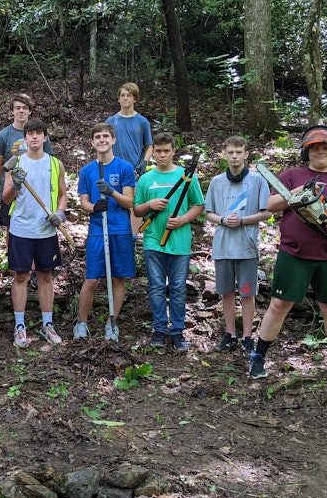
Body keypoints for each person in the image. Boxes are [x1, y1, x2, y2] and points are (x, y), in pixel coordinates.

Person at [248, 126, 327, 387]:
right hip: (294, 253)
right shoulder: (292, 175)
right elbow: (270, 206)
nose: (320, 151)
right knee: (279, 305)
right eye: (314, 147)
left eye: (325, 147)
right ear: (306, 151)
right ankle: (258, 356)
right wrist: (296, 194)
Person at [133, 132, 204, 352]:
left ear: (174, 151)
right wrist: (150, 204)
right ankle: (159, 330)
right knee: (156, 287)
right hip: (154, 240)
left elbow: (198, 205)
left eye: (166, 151)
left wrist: (182, 219)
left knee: (178, 288)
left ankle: (178, 332)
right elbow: (137, 210)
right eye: (158, 151)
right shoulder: (146, 179)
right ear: (152, 152)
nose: (162, 155)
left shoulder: (186, 176)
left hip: (180, 242)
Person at [2, 119, 68, 348]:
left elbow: (62, 195)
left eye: (39, 133)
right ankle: (20, 326)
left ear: (45, 137)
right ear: (25, 137)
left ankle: (47, 324)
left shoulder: (55, 163)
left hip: (46, 230)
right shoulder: (16, 164)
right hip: (21, 228)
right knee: (20, 276)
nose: (35, 137)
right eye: (30, 133)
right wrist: (16, 184)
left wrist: (60, 213)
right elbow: (6, 198)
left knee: (46, 276)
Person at [204, 135, 271, 358]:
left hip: (247, 246)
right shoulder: (216, 182)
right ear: (224, 154)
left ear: (246, 154)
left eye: (238, 152)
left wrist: (243, 220)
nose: (234, 156)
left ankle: (247, 337)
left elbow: (267, 212)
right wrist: (223, 220)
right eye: (230, 152)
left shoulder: (257, 180)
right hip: (223, 246)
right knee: (225, 292)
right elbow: (209, 212)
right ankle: (230, 334)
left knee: (246, 293)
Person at [74, 123, 135, 342]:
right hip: (98, 230)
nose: (102, 140)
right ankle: (82, 324)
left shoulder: (124, 168)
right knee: (92, 279)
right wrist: (94, 208)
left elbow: (129, 201)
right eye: (98, 137)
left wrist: (112, 193)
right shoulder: (87, 170)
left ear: (113, 140)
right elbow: (83, 202)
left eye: (106, 136)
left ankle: (112, 324)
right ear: (92, 142)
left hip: (120, 229)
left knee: (118, 279)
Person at [0, 94, 53, 227]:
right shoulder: (3, 135)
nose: (21, 111)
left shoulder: (40, 135)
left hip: (37, 188)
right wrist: (10, 182)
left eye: (25, 108)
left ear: (29, 111)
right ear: (12, 111)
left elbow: (49, 161)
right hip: (12, 190)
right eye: (17, 108)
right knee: (10, 227)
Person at [105, 82, 153, 237]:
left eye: (129, 95)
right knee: (114, 201)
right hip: (114, 168)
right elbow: (104, 144)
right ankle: (115, 234)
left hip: (134, 169)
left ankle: (132, 237)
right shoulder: (111, 121)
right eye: (122, 95)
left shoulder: (142, 121)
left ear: (135, 98)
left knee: (134, 203)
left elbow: (149, 146)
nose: (125, 98)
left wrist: (144, 162)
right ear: (118, 99)